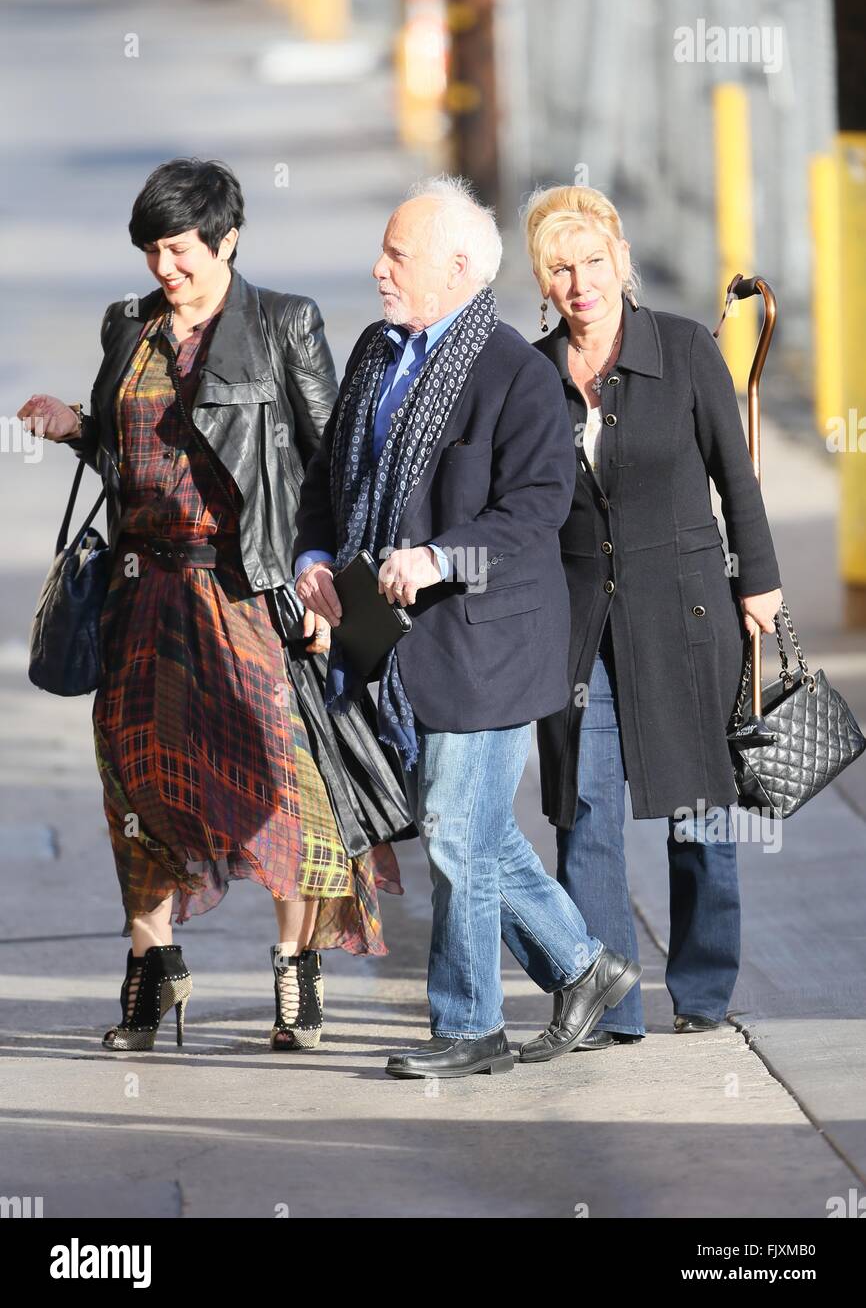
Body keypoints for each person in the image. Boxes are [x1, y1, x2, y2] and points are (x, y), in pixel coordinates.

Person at [18, 158, 409, 1054]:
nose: (166, 266)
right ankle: (153, 971)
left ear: (227, 239)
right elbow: (133, 454)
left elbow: (333, 464)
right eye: (154, 249)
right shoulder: (128, 327)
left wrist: (325, 582)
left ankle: (294, 972)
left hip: (245, 595)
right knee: (138, 790)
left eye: (182, 247)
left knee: (283, 787)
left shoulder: (282, 324)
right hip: (140, 597)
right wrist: (77, 427)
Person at [293, 175, 641, 1078]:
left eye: (396, 256)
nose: (377, 269)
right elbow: (325, 477)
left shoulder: (515, 374)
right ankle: (584, 967)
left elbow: (535, 508)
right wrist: (314, 561)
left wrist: (440, 558)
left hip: (490, 640)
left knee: (454, 828)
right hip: (393, 644)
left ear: (456, 269)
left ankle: (470, 1026)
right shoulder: (375, 351)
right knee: (470, 828)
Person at [524, 184, 782, 1045]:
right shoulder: (534, 375)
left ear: (621, 262)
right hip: (578, 629)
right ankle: (610, 1002)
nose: (580, 282)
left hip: (686, 608)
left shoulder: (682, 349)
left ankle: (704, 990)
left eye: (593, 261)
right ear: (544, 282)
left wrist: (761, 581)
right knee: (585, 810)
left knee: (698, 804)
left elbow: (733, 476)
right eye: (561, 268)